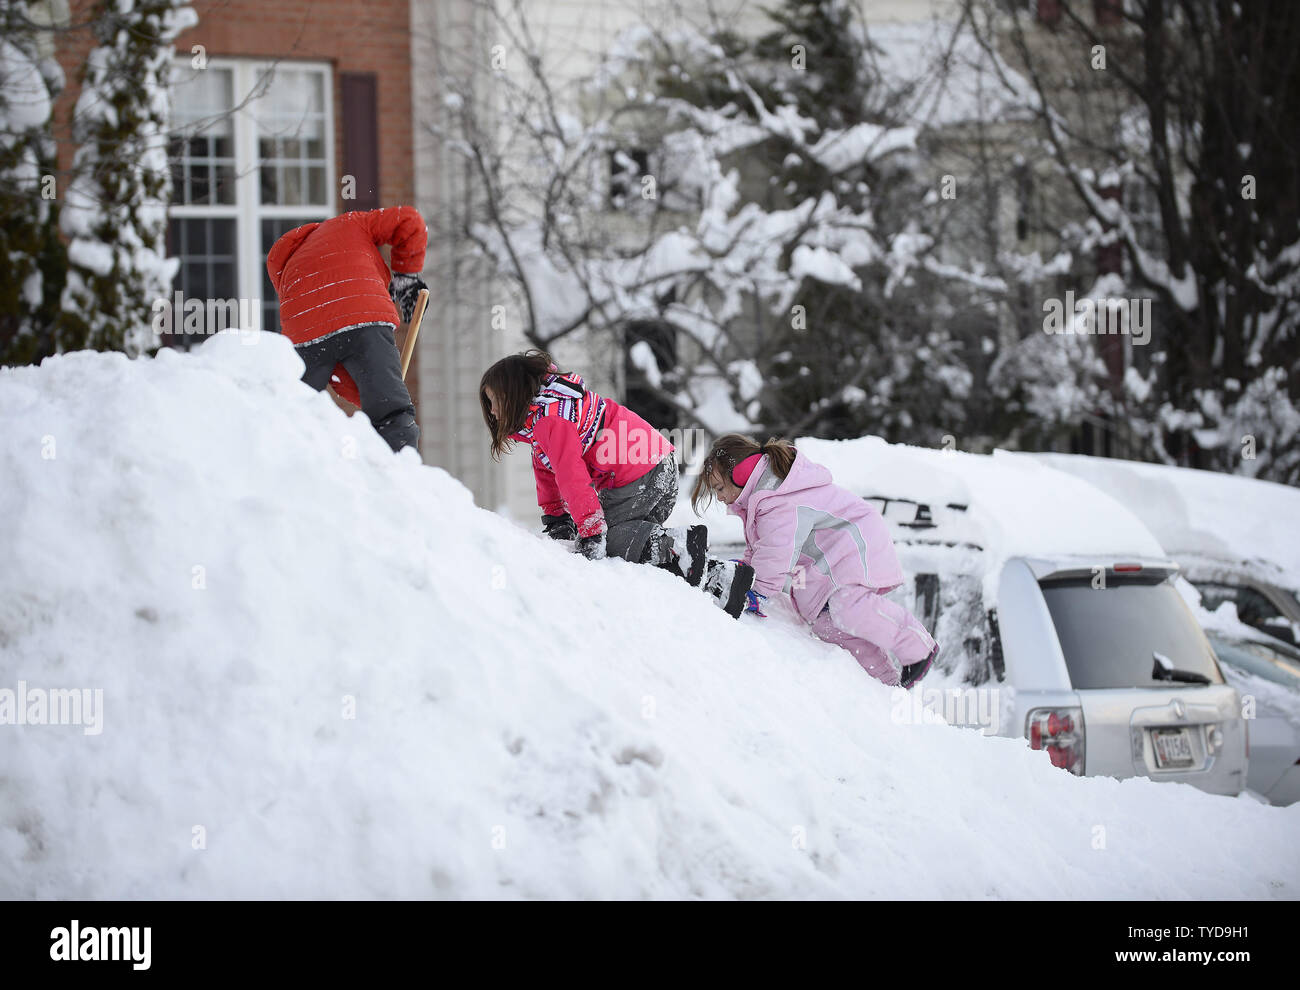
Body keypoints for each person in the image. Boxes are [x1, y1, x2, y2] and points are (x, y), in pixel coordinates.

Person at [479, 350, 755, 618]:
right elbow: (546, 471)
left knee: (612, 540)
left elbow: (571, 476)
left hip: (640, 473)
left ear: (514, 394)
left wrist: (590, 531)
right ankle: (725, 579)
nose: (491, 411)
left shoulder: (551, 419)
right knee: (634, 551)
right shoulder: (546, 413)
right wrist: (556, 518)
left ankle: (679, 544)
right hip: (656, 464)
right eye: (488, 403)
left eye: (495, 401)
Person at [692, 434, 939, 686]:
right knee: (827, 624)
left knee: (848, 605)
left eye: (719, 488)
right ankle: (883, 681)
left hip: (855, 540)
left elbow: (776, 553)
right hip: (828, 560)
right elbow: (760, 550)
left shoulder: (777, 500)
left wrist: (759, 591)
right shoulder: (761, 502)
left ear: (742, 474)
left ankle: (918, 646)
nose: (719, 497)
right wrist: (743, 573)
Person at [266, 206, 429, 453]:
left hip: (303, 332)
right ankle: (399, 463)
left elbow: (335, 352)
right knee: (391, 414)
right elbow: (408, 220)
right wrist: (406, 276)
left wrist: (370, 390)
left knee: (293, 412)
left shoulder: (288, 268)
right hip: (363, 314)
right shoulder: (352, 223)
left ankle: (287, 467)